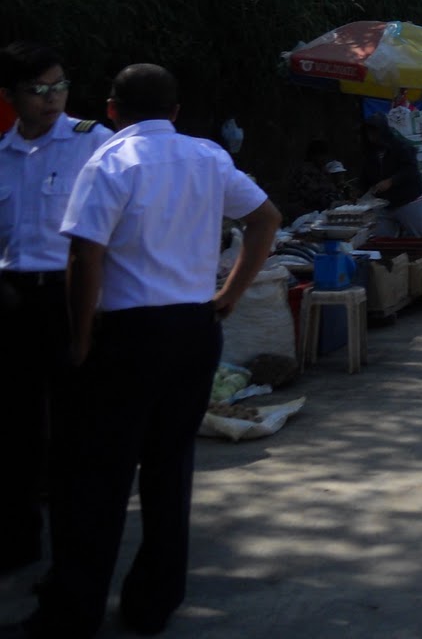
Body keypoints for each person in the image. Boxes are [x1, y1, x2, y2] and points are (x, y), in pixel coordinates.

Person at [21, 64, 279, 639]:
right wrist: (228, 295)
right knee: (169, 470)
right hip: (192, 331)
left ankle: (73, 609)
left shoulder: (111, 161)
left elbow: (84, 258)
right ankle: (153, 602)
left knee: (98, 478)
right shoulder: (209, 157)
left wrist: (81, 341)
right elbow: (266, 220)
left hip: (128, 336)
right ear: (176, 112)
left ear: (112, 109)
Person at [0, 42, 111, 577]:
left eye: (59, 86)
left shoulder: (93, 144)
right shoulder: (0, 153)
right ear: (9, 96)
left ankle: (76, 552)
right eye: (37, 90)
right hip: (11, 299)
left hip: (69, 298)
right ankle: (18, 539)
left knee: (76, 426)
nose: (51, 100)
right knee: (16, 427)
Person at [358, 116, 422, 237]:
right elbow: (365, 175)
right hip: (384, 204)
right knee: (382, 239)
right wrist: (361, 192)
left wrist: (392, 181)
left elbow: (411, 169)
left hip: (408, 199)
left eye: (374, 132)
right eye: (368, 133)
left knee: (421, 236)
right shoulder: (370, 153)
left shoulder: (401, 147)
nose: (371, 136)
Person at [279, 138, 342, 221]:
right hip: (304, 214)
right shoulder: (305, 171)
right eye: (322, 156)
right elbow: (316, 196)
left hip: (318, 211)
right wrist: (335, 200)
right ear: (314, 156)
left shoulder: (321, 170)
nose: (325, 159)